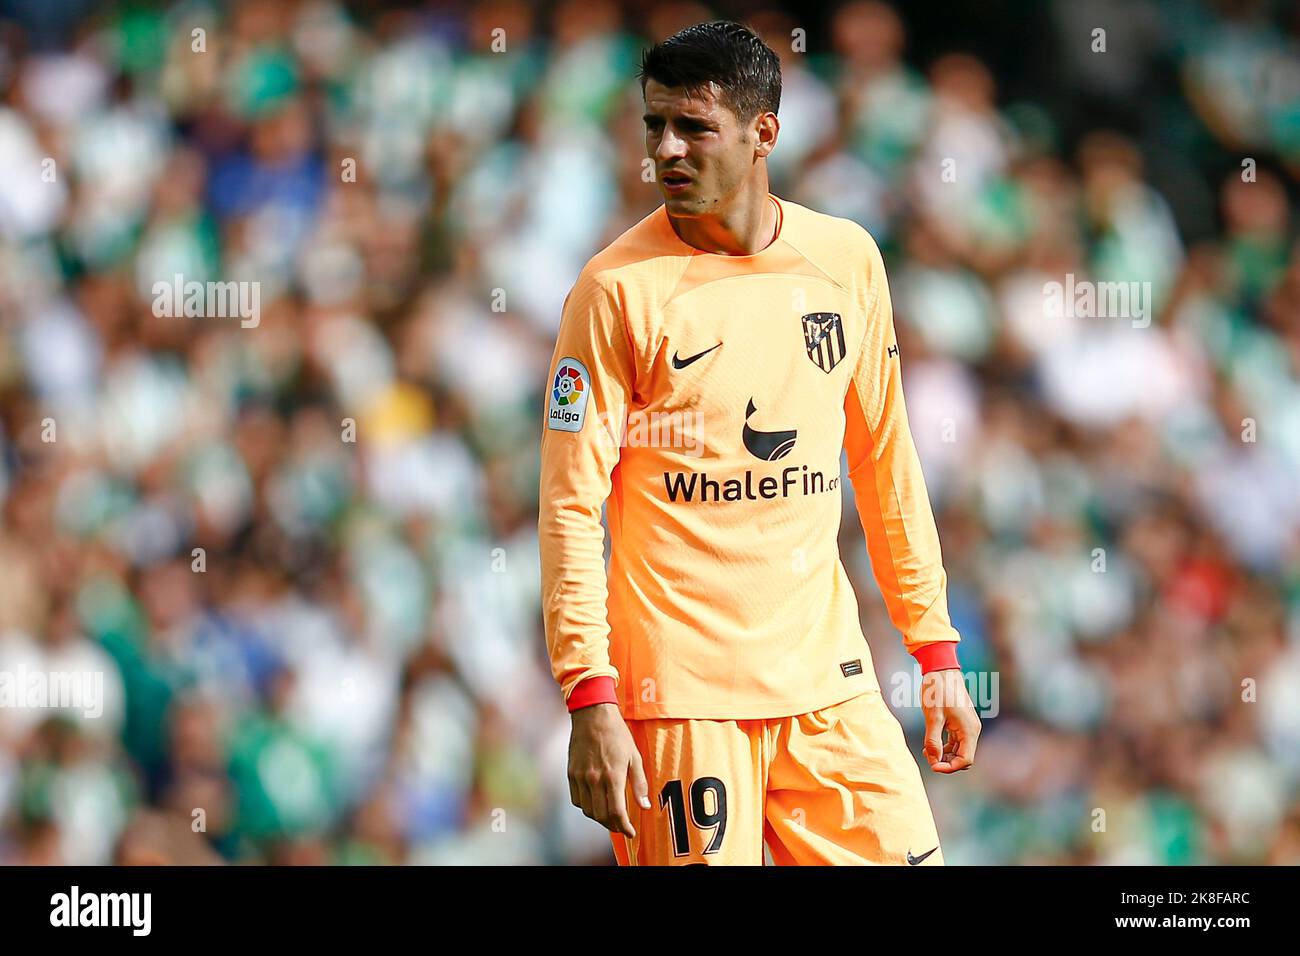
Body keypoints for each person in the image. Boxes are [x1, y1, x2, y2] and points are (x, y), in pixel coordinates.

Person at [538, 20, 980, 865]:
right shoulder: (614, 291)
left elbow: (885, 462)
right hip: (681, 701)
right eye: (653, 125)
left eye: (693, 127)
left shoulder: (844, 260)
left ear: (763, 132)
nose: (665, 149)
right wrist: (590, 697)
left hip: (829, 685)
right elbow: (568, 507)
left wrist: (935, 651)